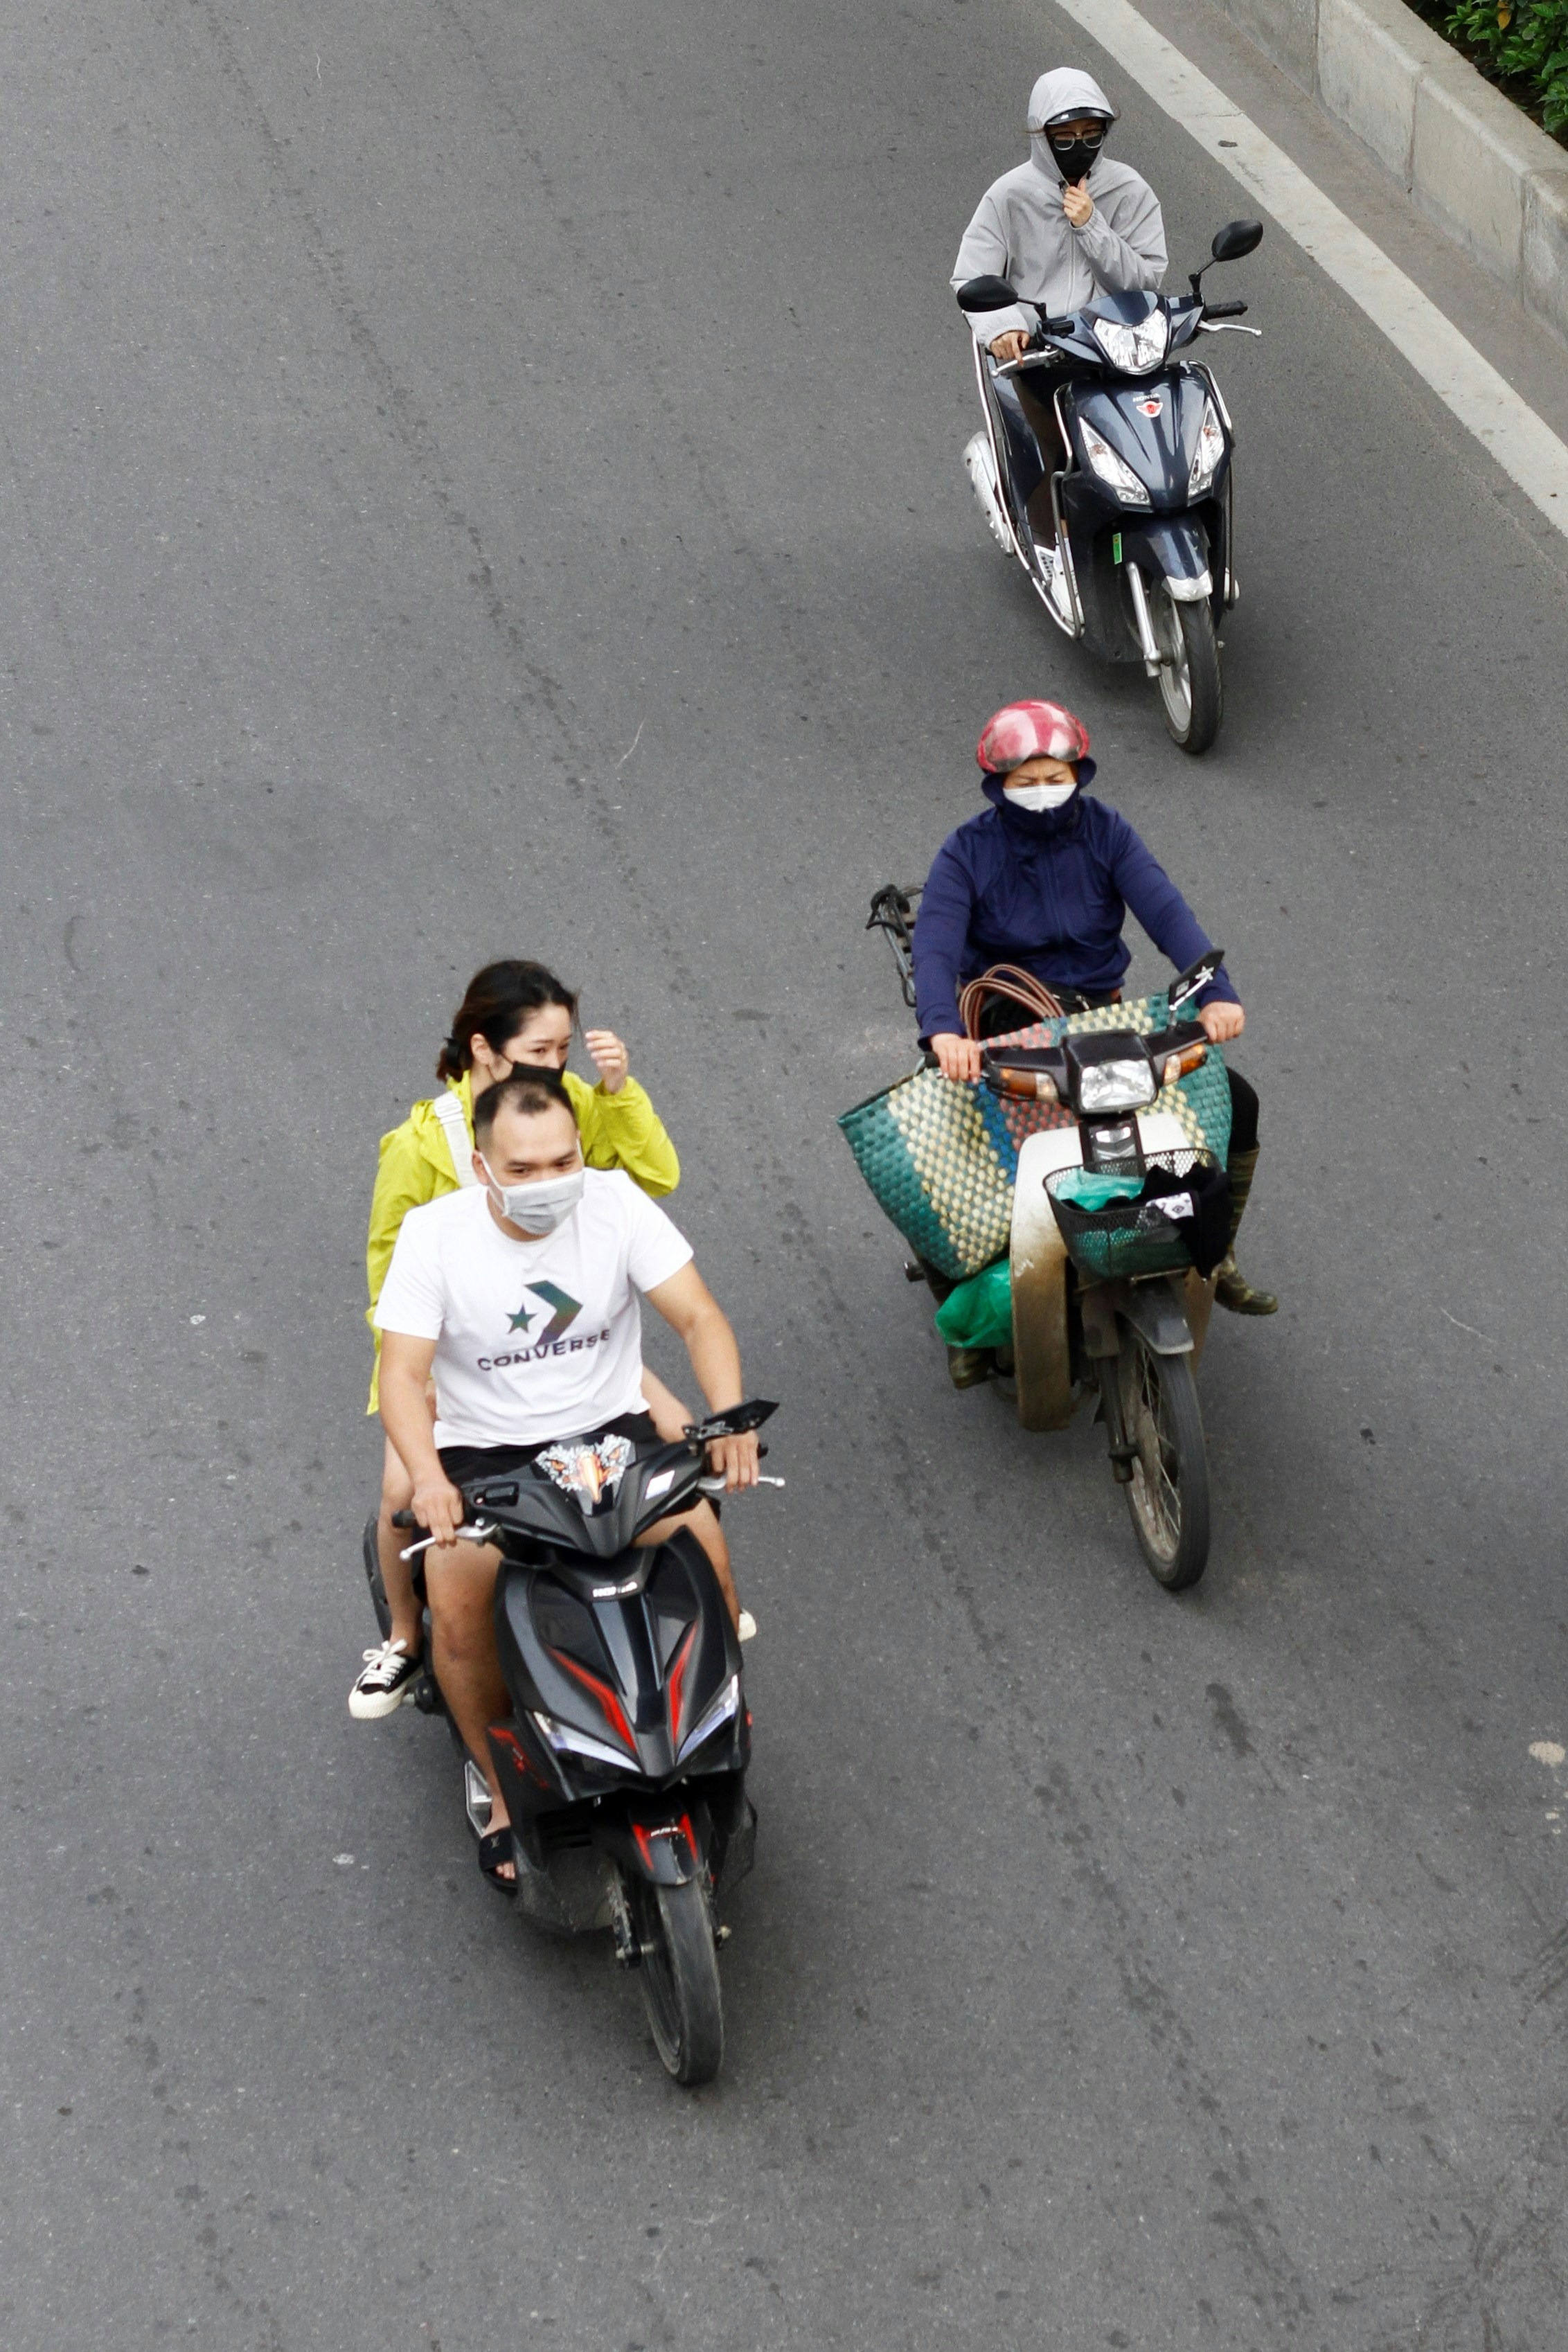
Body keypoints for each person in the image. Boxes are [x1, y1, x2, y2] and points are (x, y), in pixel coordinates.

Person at [375, 1070, 760, 1889]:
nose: (547, 1184)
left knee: (707, 1566)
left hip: (611, 1438)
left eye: (561, 1163)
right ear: (482, 1168)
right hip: (489, 1457)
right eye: (522, 1171)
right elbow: (404, 1376)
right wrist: (430, 1477)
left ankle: (708, 1740)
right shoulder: (432, 1235)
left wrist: (727, 1420)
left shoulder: (616, 1205)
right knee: (460, 1603)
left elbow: (697, 1316)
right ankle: (502, 1787)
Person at [352, 959, 688, 1720]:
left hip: (563, 1333)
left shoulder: (562, 1105)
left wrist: (617, 1094)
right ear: (483, 1051)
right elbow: (385, 1274)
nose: (555, 1067)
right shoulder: (417, 1147)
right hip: (449, 1354)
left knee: (681, 1434)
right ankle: (405, 1639)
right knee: (405, 1490)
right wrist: (425, 1376)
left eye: (562, 1050)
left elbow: (653, 1177)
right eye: (539, 1052)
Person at [911, 699, 1275, 1339]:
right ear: (998, 787)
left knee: (1236, 1103)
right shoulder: (965, 853)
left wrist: (1216, 991)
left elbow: (1166, 911)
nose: (1043, 793)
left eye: (1056, 778)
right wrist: (945, 1032)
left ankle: (1218, 1255)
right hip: (1005, 1037)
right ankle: (958, 1304)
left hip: (1103, 1023)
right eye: (1026, 783)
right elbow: (936, 945)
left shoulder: (1109, 833)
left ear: (1080, 772)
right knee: (932, 1147)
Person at [953, 69, 1166, 557]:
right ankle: (1050, 543)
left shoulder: (1129, 191)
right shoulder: (1009, 196)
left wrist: (1093, 227)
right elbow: (971, 277)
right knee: (1059, 454)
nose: (1079, 146)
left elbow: (1145, 283)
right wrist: (1004, 327)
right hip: (1043, 356)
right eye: (1065, 137)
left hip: (1116, 351)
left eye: (1091, 135)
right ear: (1042, 136)